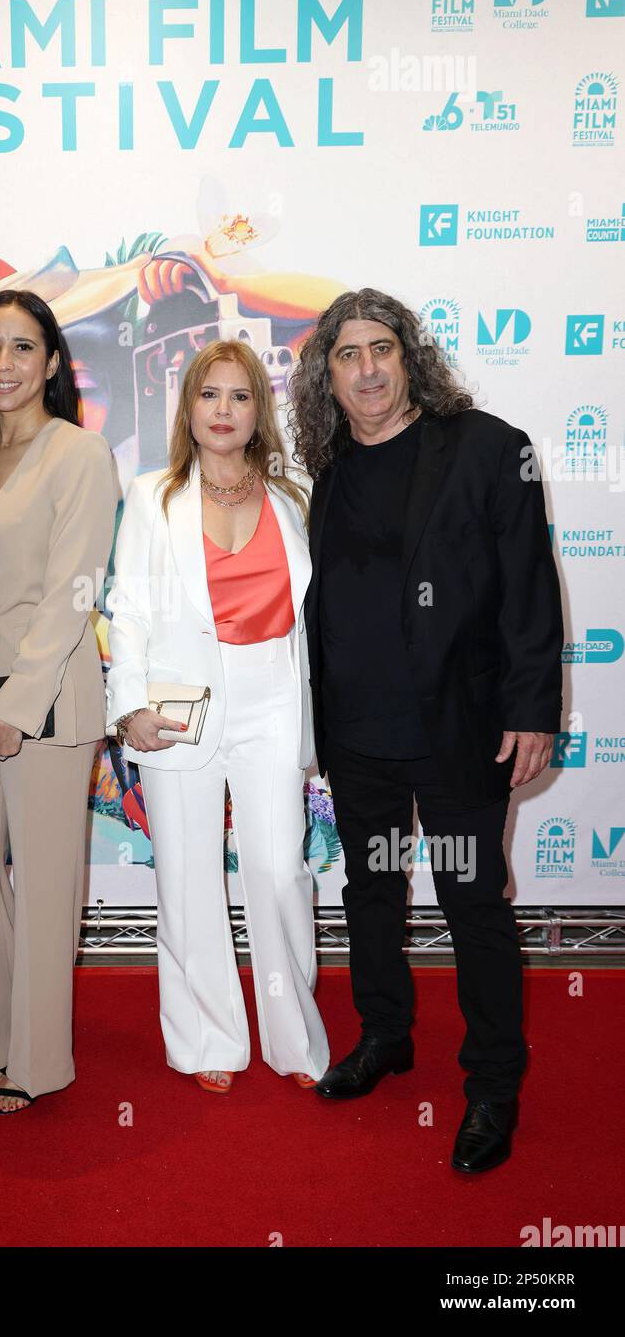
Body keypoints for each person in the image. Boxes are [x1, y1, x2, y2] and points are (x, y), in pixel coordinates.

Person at [291, 288, 562, 1173]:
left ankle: (491, 1084)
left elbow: (528, 587)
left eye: (381, 349)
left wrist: (531, 710)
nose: (366, 368)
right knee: (369, 892)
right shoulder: (327, 472)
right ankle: (385, 1035)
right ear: (325, 376)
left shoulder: (488, 449)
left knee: (470, 904)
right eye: (346, 354)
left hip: (459, 731)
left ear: (409, 358)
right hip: (358, 733)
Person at [106, 339, 330, 1095]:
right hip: (177, 704)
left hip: (271, 695)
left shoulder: (292, 490)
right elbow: (128, 608)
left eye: (239, 397)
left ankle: (293, 1039)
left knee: (276, 871)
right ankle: (207, 1036)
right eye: (210, 395)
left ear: (257, 410)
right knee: (188, 875)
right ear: (188, 408)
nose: (224, 411)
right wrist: (128, 704)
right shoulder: (149, 496)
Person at [0, 289, 118, 1114]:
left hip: (43, 696)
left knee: (43, 883)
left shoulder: (77, 453)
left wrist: (19, 700)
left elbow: (74, 589)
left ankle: (39, 1061)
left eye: (22, 347)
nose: (3, 364)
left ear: (50, 362)